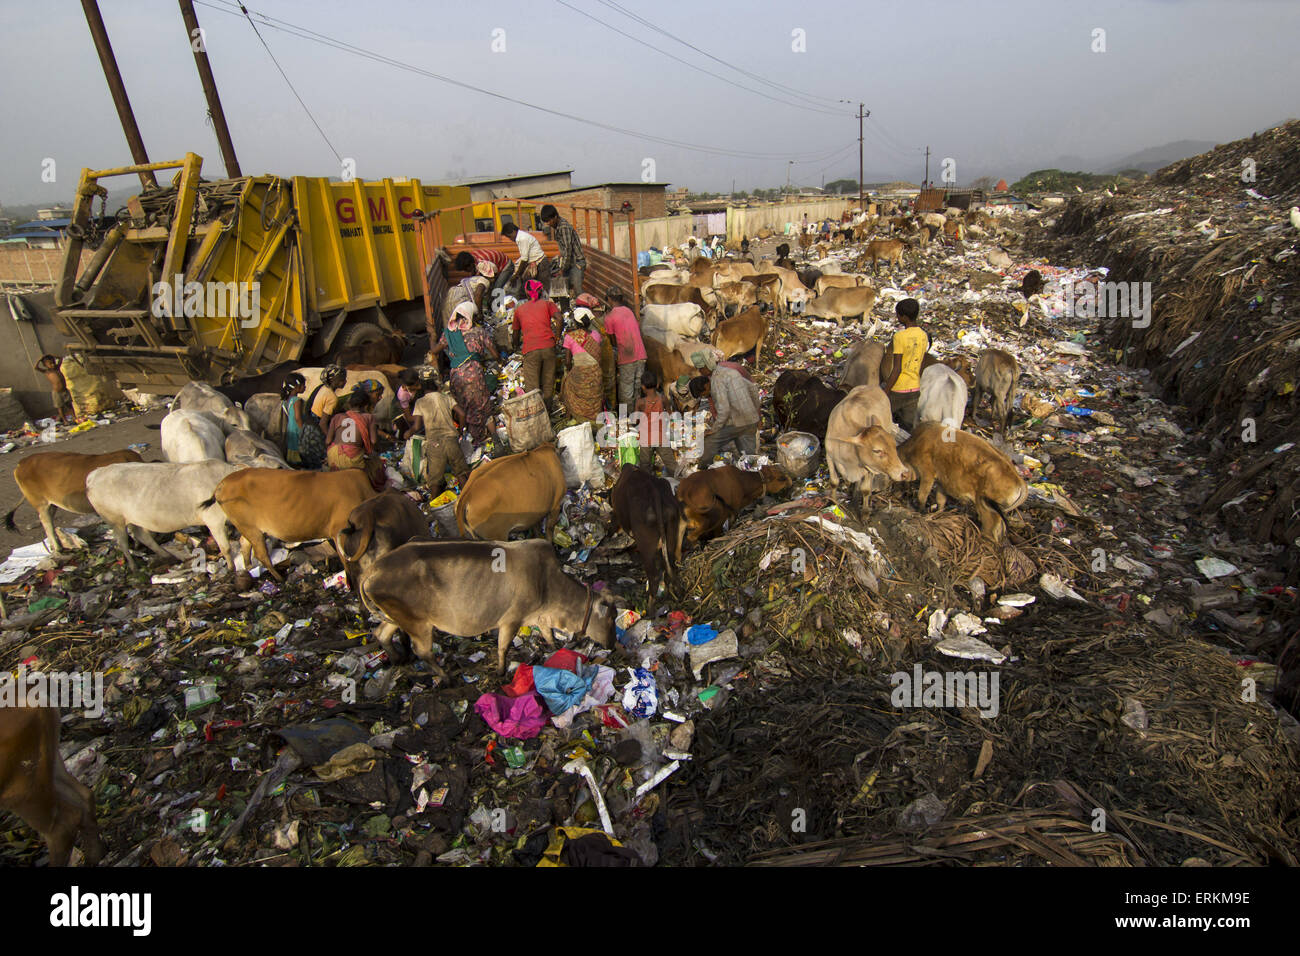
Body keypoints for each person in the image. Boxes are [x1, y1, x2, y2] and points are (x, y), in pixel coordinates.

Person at [430, 300, 496, 447]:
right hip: (475, 376)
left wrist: (432, 337)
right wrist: (498, 360)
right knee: (483, 407)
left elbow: (434, 351)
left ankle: (471, 440)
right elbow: (494, 354)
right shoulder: (479, 331)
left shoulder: (448, 334)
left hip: (457, 377)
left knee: (466, 407)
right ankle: (491, 439)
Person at [690, 353, 761, 462]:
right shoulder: (729, 371)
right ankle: (752, 474)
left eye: (700, 369)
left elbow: (724, 411)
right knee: (748, 455)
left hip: (738, 422)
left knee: (710, 441)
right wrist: (756, 412)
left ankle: (702, 468)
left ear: (706, 366)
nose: (700, 372)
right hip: (751, 419)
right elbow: (754, 390)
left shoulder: (716, 380)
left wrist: (713, 430)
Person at [406, 377, 470, 495]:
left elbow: (416, 426)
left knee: (435, 481)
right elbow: (462, 413)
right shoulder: (446, 397)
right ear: (437, 388)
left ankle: (434, 508)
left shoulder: (420, 402)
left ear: (424, 391)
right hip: (451, 440)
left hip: (434, 444)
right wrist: (460, 430)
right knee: (461, 474)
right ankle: (468, 498)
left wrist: (407, 434)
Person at [512, 279, 562, 410]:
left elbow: (515, 334)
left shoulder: (519, 310)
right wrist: (556, 337)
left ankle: (536, 413)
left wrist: (515, 347)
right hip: (548, 347)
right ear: (541, 291)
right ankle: (548, 412)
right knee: (548, 381)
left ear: (527, 293)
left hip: (531, 349)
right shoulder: (548, 304)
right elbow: (560, 318)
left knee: (532, 386)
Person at [882, 297, 930, 430]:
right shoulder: (923, 335)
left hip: (898, 389)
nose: (896, 316)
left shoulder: (899, 337)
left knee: (881, 420)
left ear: (903, 317)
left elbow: (897, 368)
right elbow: (921, 362)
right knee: (908, 427)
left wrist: (885, 391)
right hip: (914, 389)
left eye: (897, 314)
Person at [600, 287, 646, 410]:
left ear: (609, 299)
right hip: (641, 355)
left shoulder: (609, 317)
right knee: (637, 389)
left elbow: (613, 341)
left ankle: (628, 421)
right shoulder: (629, 312)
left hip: (627, 358)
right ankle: (637, 417)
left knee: (626, 392)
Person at [559, 307, 604, 422]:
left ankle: (575, 417)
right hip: (595, 373)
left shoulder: (569, 337)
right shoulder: (597, 335)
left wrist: (570, 372)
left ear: (575, 322)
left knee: (567, 385)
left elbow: (568, 362)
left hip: (580, 373)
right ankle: (594, 418)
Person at [635, 368, 676, 473]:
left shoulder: (640, 402)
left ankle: (647, 485)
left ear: (643, 386)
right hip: (660, 436)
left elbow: (636, 421)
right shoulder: (663, 399)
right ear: (657, 385)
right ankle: (680, 484)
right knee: (671, 464)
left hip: (645, 438)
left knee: (645, 465)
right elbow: (669, 414)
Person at [541, 205, 585, 299]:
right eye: (546, 222)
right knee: (566, 291)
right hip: (569, 263)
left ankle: (583, 310)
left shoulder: (564, 227)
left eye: (549, 221)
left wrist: (562, 269)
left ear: (555, 217)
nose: (548, 224)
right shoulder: (558, 227)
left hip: (576, 263)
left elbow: (568, 250)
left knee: (578, 291)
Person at [501, 221, 546, 293]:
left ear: (513, 231)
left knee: (542, 290)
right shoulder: (521, 237)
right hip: (536, 263)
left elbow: (524, 259)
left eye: (509, 237)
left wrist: (516, 275)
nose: (511, 239)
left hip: (541, 264)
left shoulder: (522, 238)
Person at [278, 373, 310, 467]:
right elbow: (298, 418)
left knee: (292, 450)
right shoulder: (297, 400)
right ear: (296, 386)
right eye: (303, 385)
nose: (305, 387)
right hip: (297, 428)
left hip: (290, 428)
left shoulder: (287, 399)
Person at [35, 355, 74, 423]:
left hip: (64, 390)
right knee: (60, 407)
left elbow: (61, 358)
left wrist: (53, 356)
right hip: (57, 392)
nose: (52, 365)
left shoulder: (57, 368)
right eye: (50, 363)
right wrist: (39, 359)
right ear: (45, 365)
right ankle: (65, 420)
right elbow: (36, 367)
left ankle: (74, 417)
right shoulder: (46, 372)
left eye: (53, 363)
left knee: (69, 405)